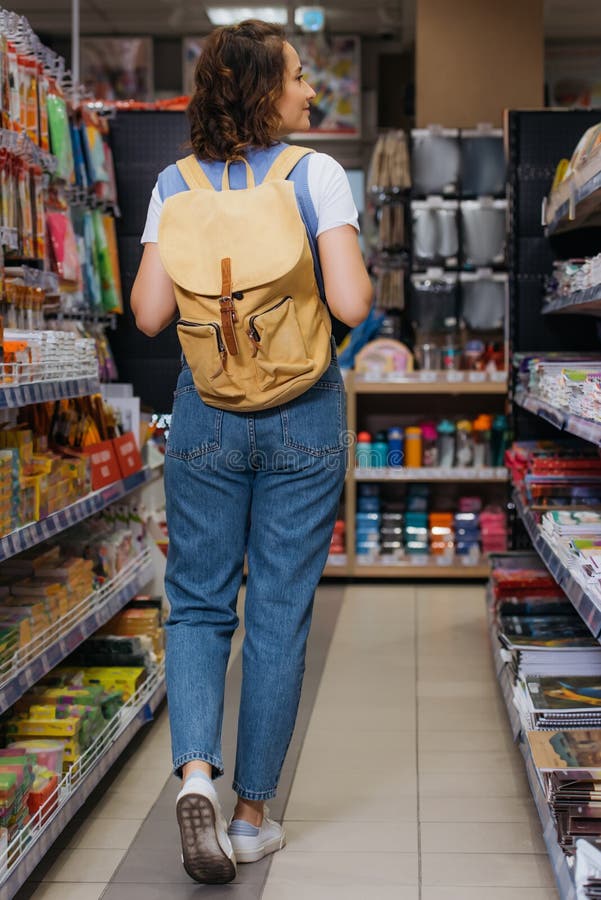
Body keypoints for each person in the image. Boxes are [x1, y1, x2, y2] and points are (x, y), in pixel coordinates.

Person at [131, 19, 372, 885]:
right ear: (270, 91)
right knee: (277, 614)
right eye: (302, 77)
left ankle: (196, 770)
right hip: (303, 409)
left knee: (196, 603)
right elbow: (349, 302)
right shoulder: (316, 175)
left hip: (205, 415)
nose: (312, 90)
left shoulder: (174, 182)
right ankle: (250, 819)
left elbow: (151, 315)